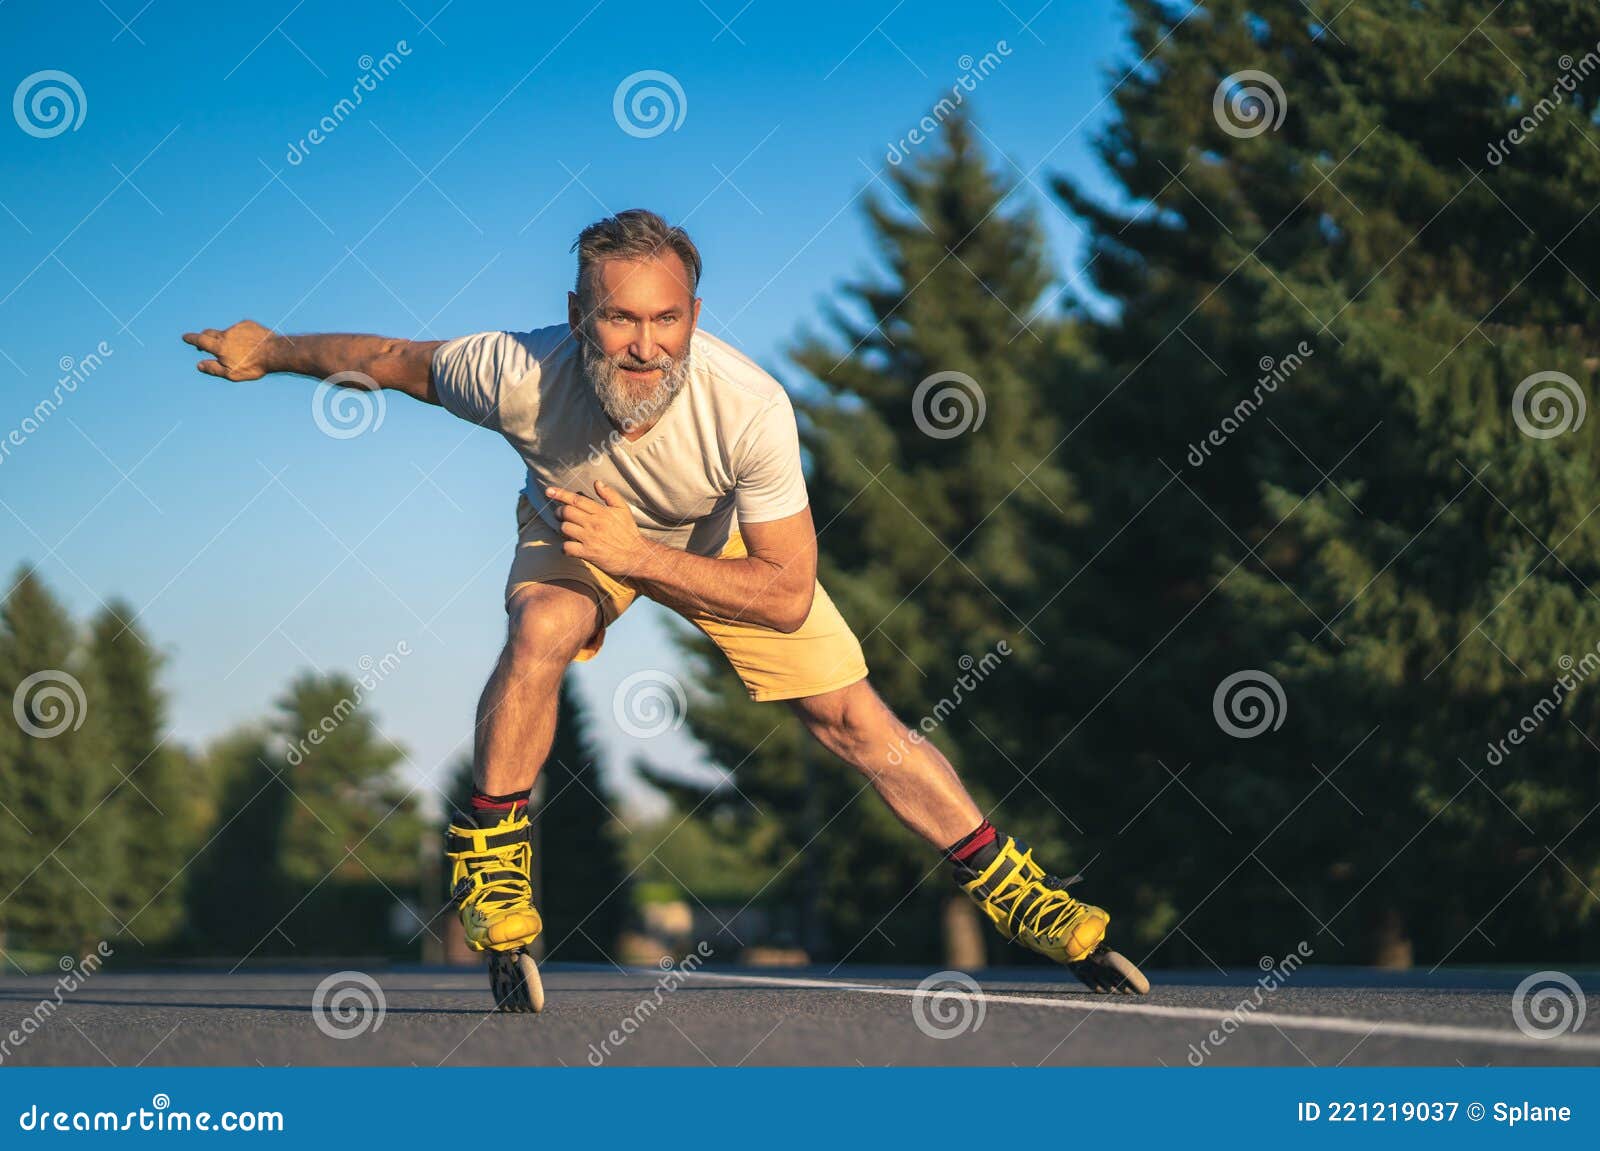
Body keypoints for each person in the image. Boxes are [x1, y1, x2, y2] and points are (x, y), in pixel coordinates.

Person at [181, 209, 1144, 994]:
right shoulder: (514, 371)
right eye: (618, 319)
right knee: (544, 625)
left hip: (721, 551)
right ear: (577, 312)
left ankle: (1018, 891)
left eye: (666, 319)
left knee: (851, 717)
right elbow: (388, 357)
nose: (643, 347)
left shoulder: (750, 407)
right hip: (578, 530)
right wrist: (271, 348)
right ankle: (495, 852)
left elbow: (787, 588)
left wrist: (643, 554)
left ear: (693, 313)